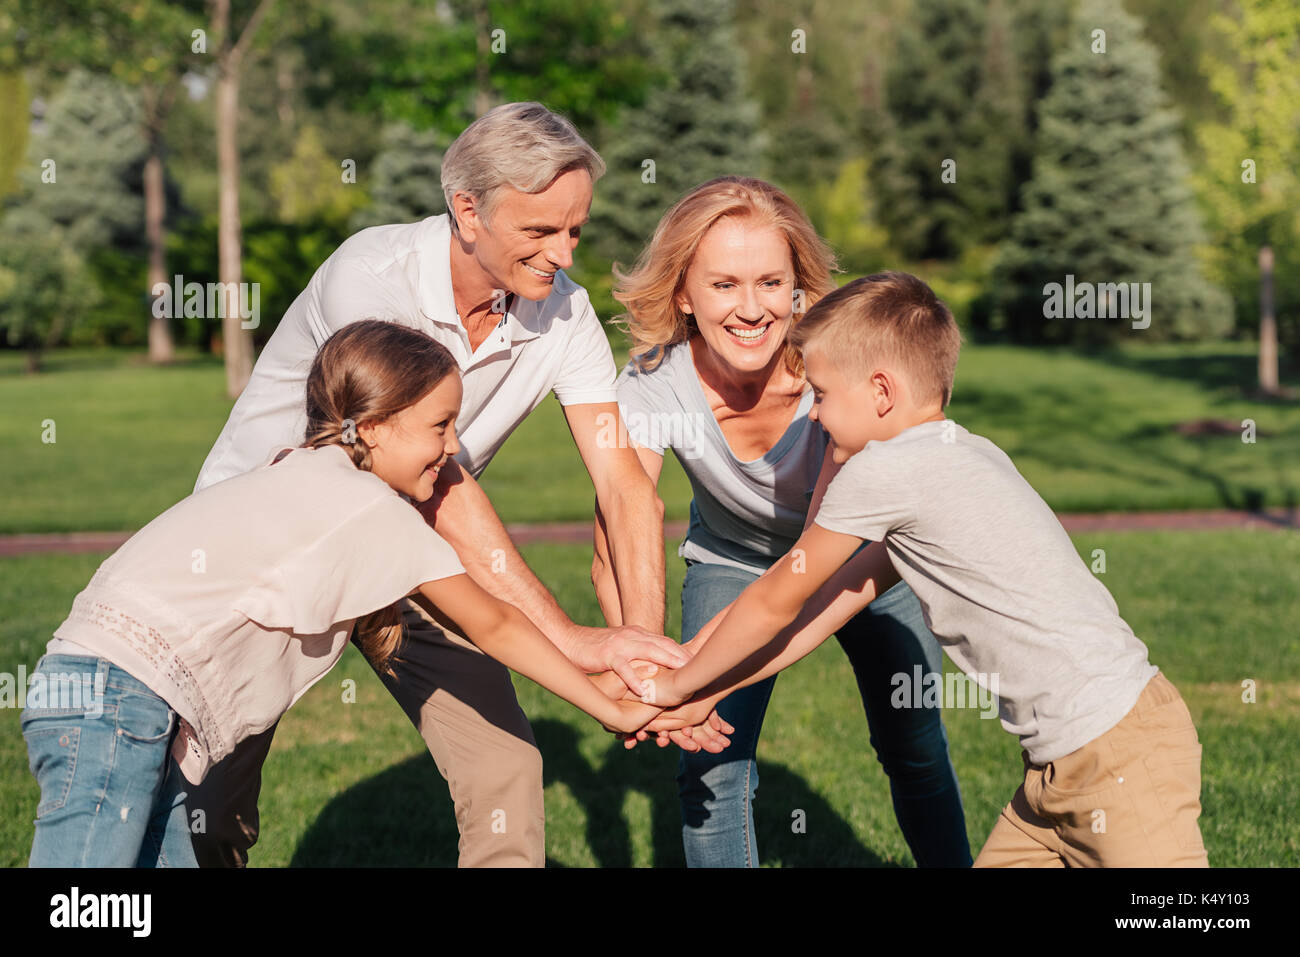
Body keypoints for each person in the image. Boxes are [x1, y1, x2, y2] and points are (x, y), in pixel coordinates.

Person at [186, 102, 709, 868]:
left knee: (505, 768)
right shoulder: (371, 277)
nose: (564, 255)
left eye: (575, 229)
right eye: (540, 231)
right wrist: (569, 640)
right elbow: (438, 481)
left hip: (414, 553)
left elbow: (625, 482)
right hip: (265, 548)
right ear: (468, 209)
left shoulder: (563, 314)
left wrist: (646, 660)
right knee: (210, 793)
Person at [21, 321, 659, 867]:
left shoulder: (299, 470)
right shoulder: (364, 507)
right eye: (439, 425)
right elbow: (493, 625)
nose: (454, 445)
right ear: (376, 427)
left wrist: (606, 685)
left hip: (103, 688)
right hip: (116, 699)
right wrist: (616, 709)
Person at [631, 272, 1210, 867]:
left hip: (1117, 753)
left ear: (881, 392)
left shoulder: (885, 473)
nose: (814, 417)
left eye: (823, 395)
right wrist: (712, 687)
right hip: (1057, 775)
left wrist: (676, 685)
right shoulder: (959, 456)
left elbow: (778, 598)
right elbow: (827, 606)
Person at [592, 178, 972, 867]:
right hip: (732, 561)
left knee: (913, 745)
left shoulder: (840, 363)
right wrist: (650, 670)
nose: (751, 307)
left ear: (799, 288)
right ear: (683, 293)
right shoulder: (655, 382)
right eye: (724, 284)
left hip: (862, 558)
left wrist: (694, 677)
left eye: (772, 282)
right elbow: (617, 534)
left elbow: (815, 562)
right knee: (710, 766)